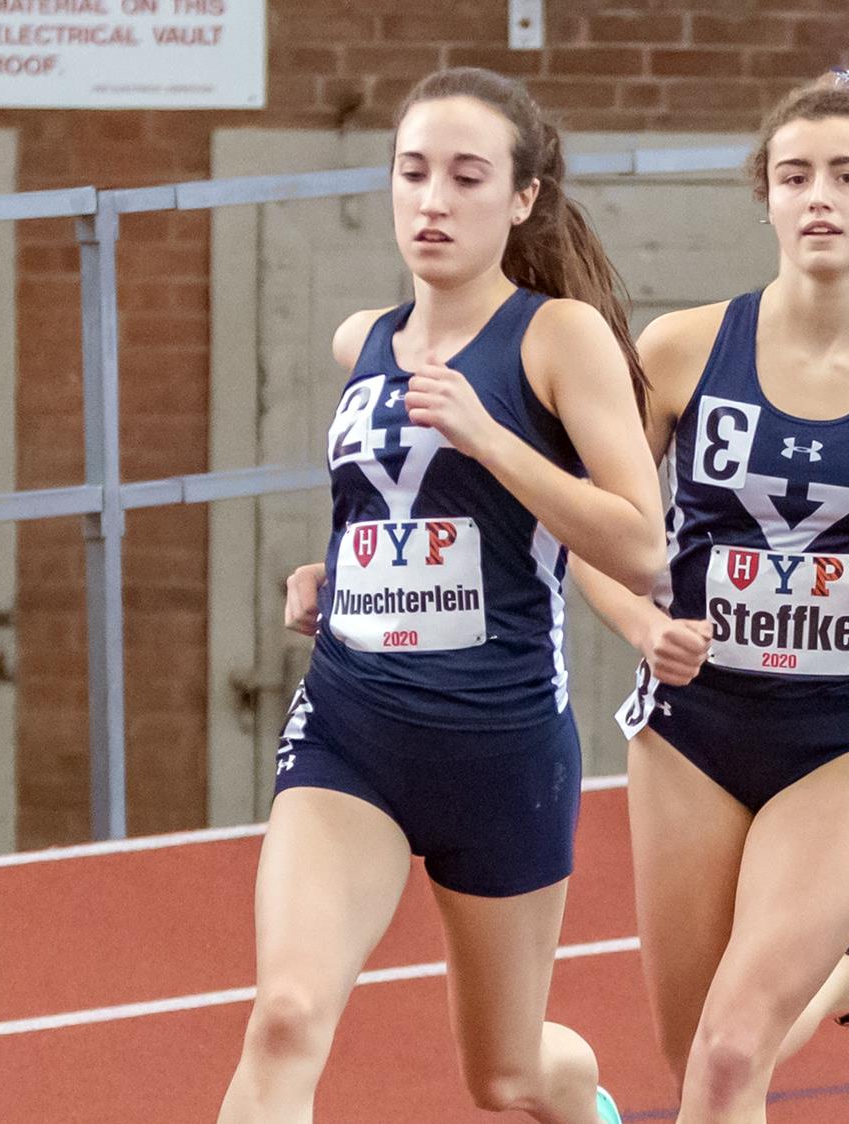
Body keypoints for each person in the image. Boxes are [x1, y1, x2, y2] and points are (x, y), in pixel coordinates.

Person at [220, 68, 664, 1124]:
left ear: (520, 198)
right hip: (351, 730)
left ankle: (587, 1103)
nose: (432, 199)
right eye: (412, 172)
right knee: (284, 1016)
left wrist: (491, 434)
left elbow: (639, 543)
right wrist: (335, 572)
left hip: (499, 747)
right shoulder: (359, 340)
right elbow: (395, 508)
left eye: (466, 177)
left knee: (504, 1076)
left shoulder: (558, 339)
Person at [570, 66, 849, 1124]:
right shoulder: (678, 350)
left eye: (847, 175)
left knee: (728, 1056)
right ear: (763, 194)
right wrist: (643, 622)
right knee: (698, 1056)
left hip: (846, 741)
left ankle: (846, 964)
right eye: (794, 174)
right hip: (690, 730)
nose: (818, 196)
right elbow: (591, 535)